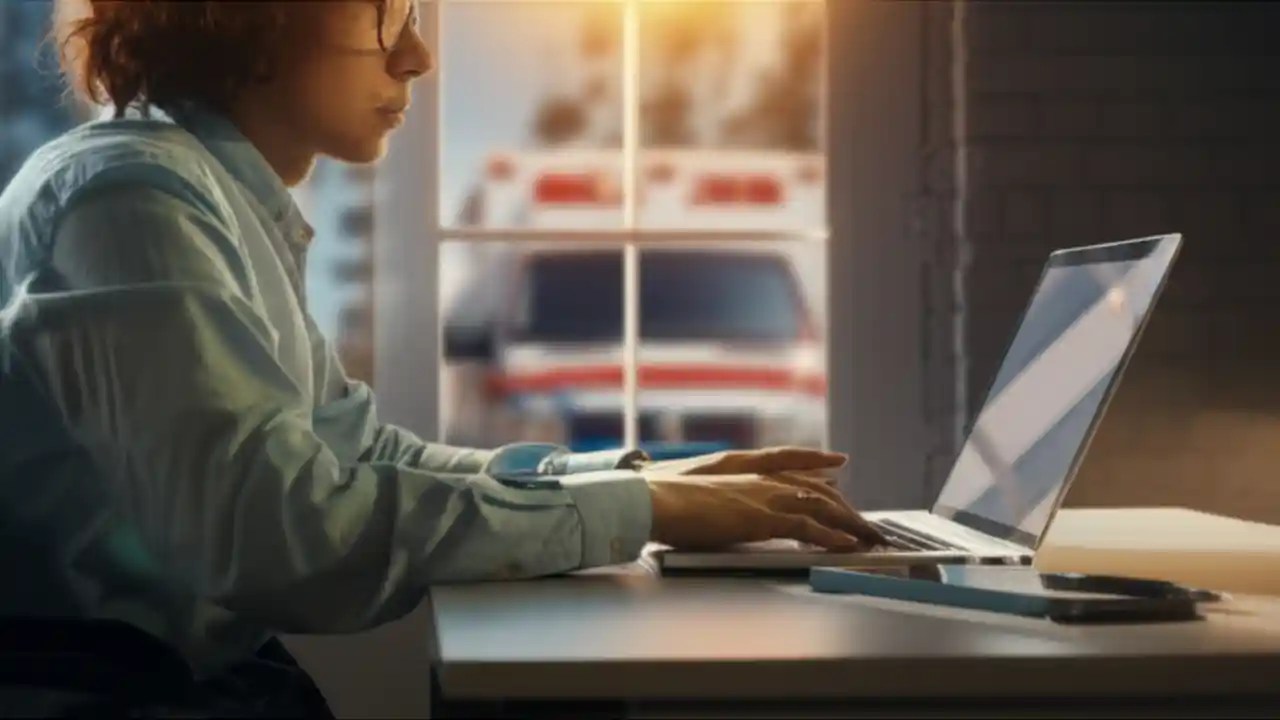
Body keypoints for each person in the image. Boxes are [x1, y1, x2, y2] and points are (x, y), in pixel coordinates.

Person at [0, 0, 885, 715]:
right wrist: (640, 509)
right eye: (388, 14)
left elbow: (364, 454)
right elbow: (272, 530)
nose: (417, 56)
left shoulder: (204, 197)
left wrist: (635, 481)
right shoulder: (134, 201)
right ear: (255, 18)